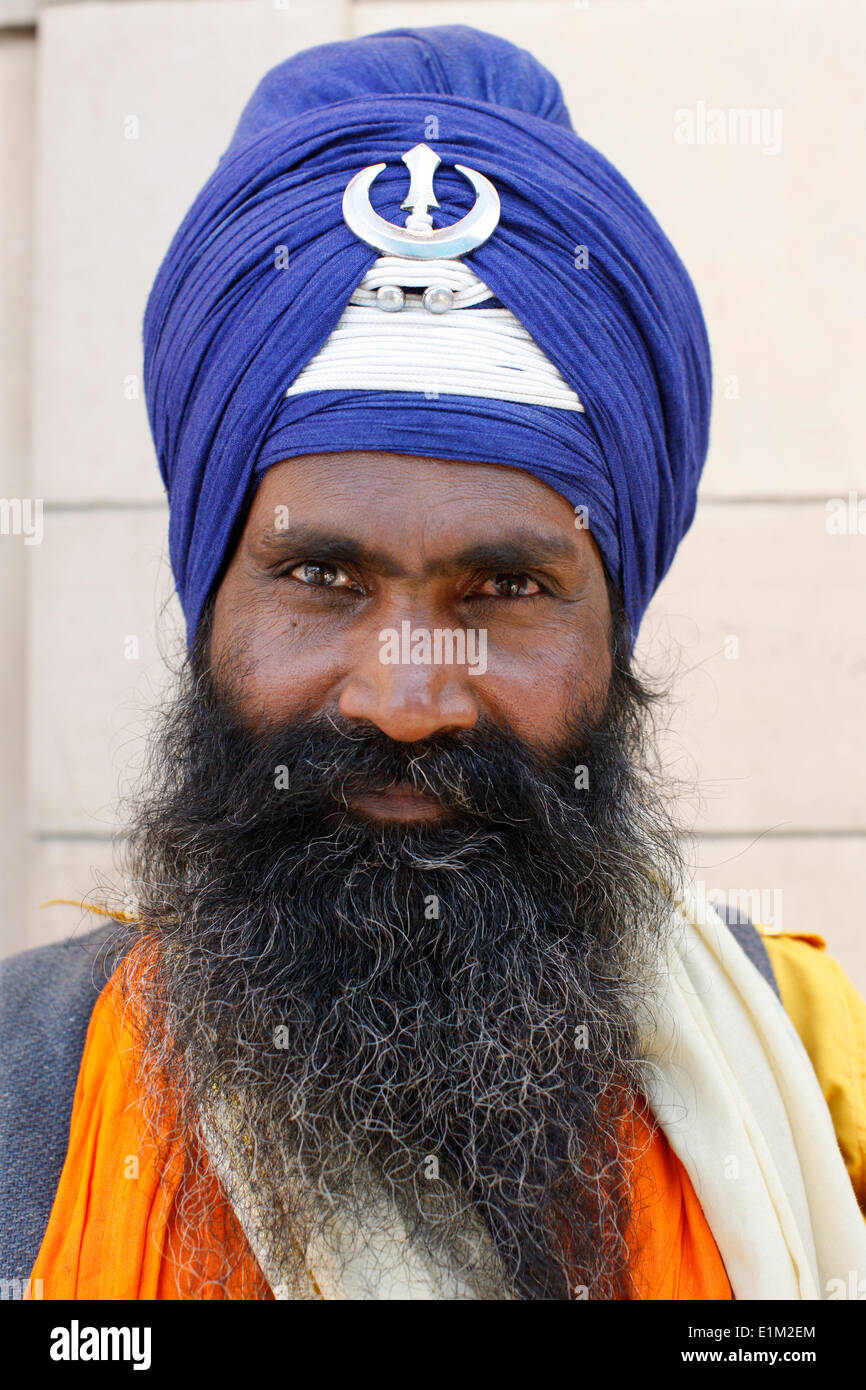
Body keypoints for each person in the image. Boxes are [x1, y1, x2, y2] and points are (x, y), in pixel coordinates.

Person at [3, 25, 865, 1302]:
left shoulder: (813, 1066)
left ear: (611, 633)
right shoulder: (28, 1088)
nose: (403, 702)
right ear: (208, 606)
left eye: (506, 588)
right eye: (319, 577)